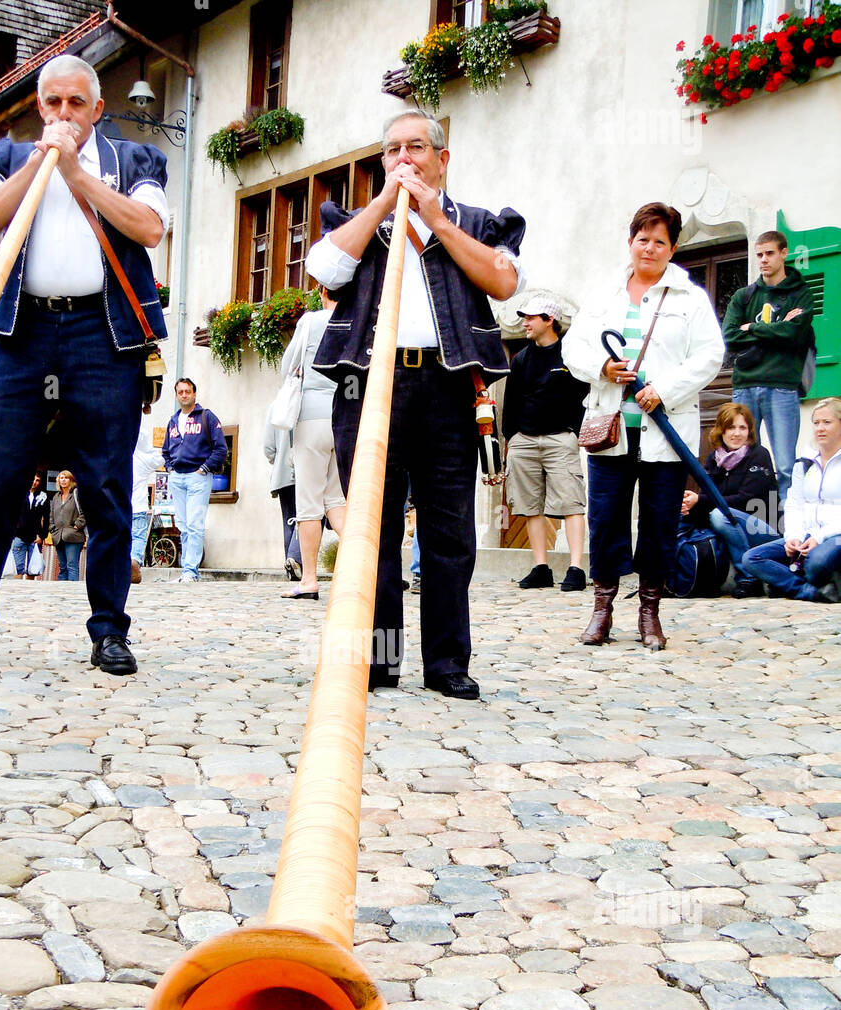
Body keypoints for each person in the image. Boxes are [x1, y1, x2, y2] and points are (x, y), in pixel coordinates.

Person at [0, 54, 167, 676]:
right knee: (0, 482)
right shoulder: (8, 158)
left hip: (101, 332)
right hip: (19, 329)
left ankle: (110, 629)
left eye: (76, 104)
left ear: (95, 109)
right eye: (53, 104)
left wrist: (78, 176)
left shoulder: (133, 161)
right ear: (41, 108)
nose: (64, 115)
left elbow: (148, 228)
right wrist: (40, 161)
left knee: (107, 486)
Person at [306, 111, 522, 698]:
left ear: (442, 158)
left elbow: (503, 283)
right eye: (393, 149)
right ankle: (380, 660)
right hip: (368, 387)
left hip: (449, 387)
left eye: (417, 147)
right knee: (372, 531)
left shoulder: (476, 222)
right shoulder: (356, 219)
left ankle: (448, 663)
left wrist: (436, 222)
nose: (405, 158)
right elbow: (323, 270)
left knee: (449, 532)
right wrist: (382, 206)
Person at [563, 202, 725, 650]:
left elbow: (710, 356)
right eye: (642, 239)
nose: (649, 248)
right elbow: (572, 347)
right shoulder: (604, 295)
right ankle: (603, 608)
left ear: (672, 248)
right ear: (630, 241)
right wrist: (603, 367)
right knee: (605, 517)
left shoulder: (690, 298)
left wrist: (666, 389)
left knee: (658, 521)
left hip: (665, 430)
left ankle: (650, 611)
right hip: (610, 427)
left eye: (660, 241)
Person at [501, 293, 589, 592]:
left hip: (560, 439)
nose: (524, 323)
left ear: (549, 320)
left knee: (572, 502)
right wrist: (511, 439)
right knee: (529, 505)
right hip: (524, 441)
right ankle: (541, 567)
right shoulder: (521, 359)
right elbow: (509, 402)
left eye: (531, 317)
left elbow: (584, 396)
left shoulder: (571, 355)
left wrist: (574, 433)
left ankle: (577, 568)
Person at [722, 230, 816, 508]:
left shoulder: (801, 294)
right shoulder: (743, 295)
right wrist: (777, 329)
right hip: (744, 386)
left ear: (784, 253)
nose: (763, 260)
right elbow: (729, 336)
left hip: (782, 386)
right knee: (742, 458)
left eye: (769, 253)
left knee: (785, 464)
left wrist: (752, 327)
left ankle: (788, 529)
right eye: (759, 254)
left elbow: (794, 335)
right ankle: (749, 519)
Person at [278, 285, 345, 599]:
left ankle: (308, 580)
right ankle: (363, 569)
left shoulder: (310, 322)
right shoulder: (356, 321)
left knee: (309, 505)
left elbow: (286, 367)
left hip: (311, 417)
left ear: (322, 291)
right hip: (344, 418)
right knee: (337, 500)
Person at [741, 397, 841, 603]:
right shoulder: (804, 463)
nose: (820, 428)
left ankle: (788, 581)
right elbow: (794, 503)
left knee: (816, 562)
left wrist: (820, 537)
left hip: (834, 536)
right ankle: (809, 591)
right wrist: (792, 536)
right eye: (816, 423)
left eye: (827, 422)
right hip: (806, 535)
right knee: (752, 558)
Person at [680, 401, 779, 597]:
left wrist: (701, 501)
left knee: (719, 516)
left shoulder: (758, 455)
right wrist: (689, 506)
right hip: (731, 525)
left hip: (764, 528)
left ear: (750, 431)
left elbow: (746, 500)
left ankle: (749, 577)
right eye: (731, 427)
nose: (736, 433)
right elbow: (709, 497)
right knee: (681, 516)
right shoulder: (714, 459)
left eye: (742, 428)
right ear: (721, 431)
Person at [161, 378, 227, 583]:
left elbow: (221, 449)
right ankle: (186, 571)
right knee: (183, 525)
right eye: (180, 392)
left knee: (195, 524)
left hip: (198, 477)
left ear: (194, 394)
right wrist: (170, 468)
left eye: (187, 391)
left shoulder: (206, 417)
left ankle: (191, 571)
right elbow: (165, 450)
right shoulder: (173, 420)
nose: (183, 395)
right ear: (176, 395)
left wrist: (204, 468)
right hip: (178, 477)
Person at [263, 406, 303, 582]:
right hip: (307, 469)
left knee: (289, 519)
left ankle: (291, 567)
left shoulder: (277, 404)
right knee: (311, 515)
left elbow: (268, 447)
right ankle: (296, 560)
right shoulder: (312, 396)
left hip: (284, 473)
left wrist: (280, 461)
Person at [130, 405, 163, 585]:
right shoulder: (143, 458)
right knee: (138, 536)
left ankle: (122, 566)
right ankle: (134, 560)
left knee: (122, 536)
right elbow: (160, 459)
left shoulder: (120, 456)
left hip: (121, 506)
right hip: (139, 505)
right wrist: (148, 448)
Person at [11, 472, 49, 579]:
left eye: (37, 480)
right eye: (32, 479)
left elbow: (47, 518)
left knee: (32, 569)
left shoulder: (43, 496)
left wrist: (42, 535)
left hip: (35, 536)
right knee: (18, 568)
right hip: (19, 535)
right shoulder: (19, 494)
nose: (34, 482)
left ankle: (29, 594)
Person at [49, 470, 86, 580]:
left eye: (66, 478)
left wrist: (78, 525)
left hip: (73, 536)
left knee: (72, 566)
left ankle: (73, 592)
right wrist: (52, 528)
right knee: (62, 567)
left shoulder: (76, 494)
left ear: (71, 480)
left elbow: (86, 512)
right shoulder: (56, 496)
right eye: (61, 478)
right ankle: (62, 592)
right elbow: (51, 514)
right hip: (58, 536)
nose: (63, 480)